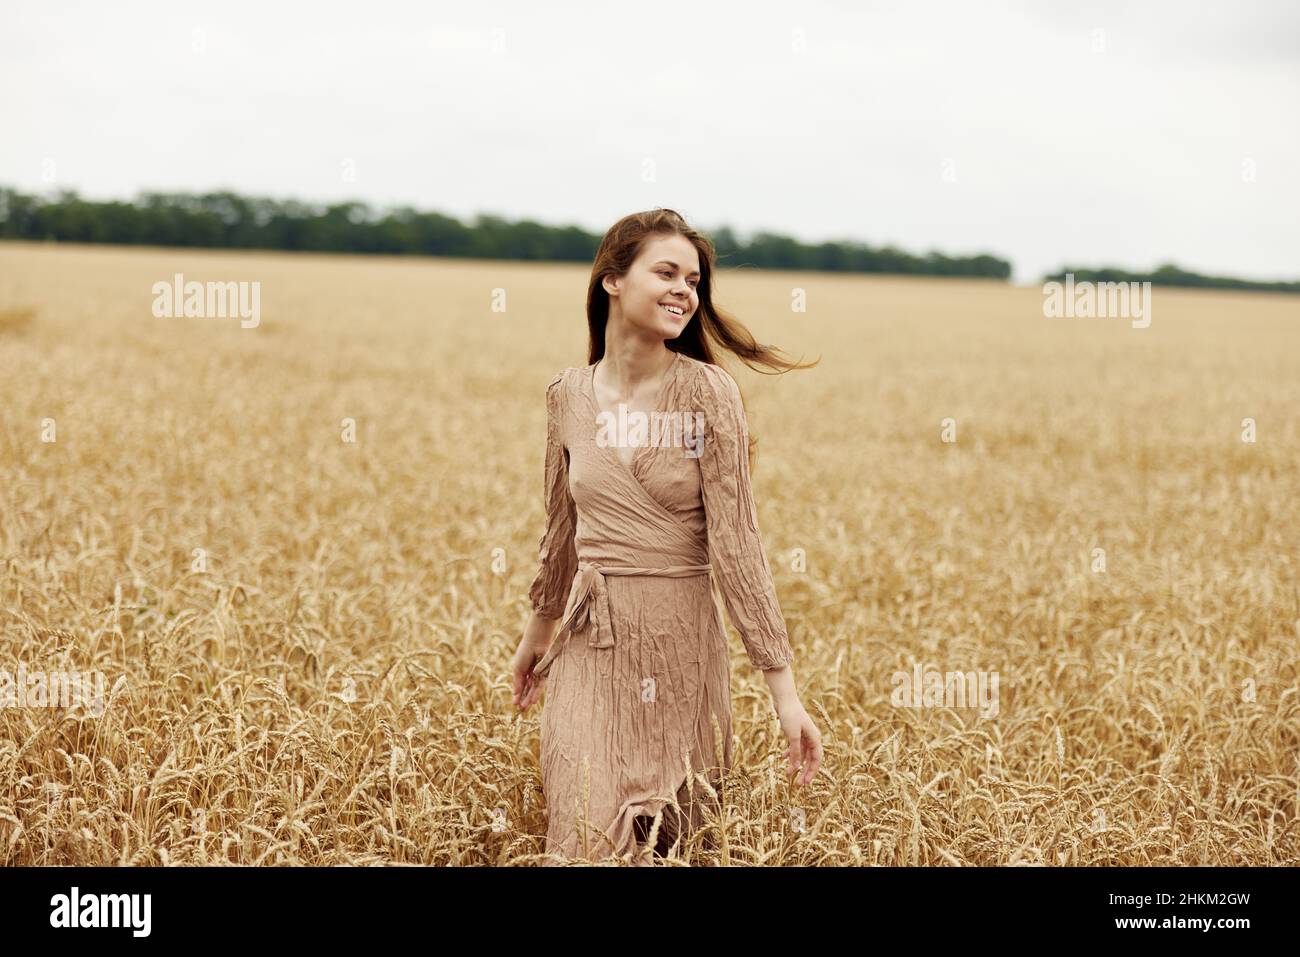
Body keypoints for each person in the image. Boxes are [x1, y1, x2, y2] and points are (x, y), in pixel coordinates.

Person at [511, 208, 822, 866]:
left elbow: (739, 549)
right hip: (590, 644)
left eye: (696, 279)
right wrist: (537, 634)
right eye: (667, 272)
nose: (686, 289)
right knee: (581, 837)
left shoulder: (708, 394)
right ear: (613, 281)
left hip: (682, 655)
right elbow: (561, 532)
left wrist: (784, 694)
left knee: (680, 849)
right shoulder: (567, 395)